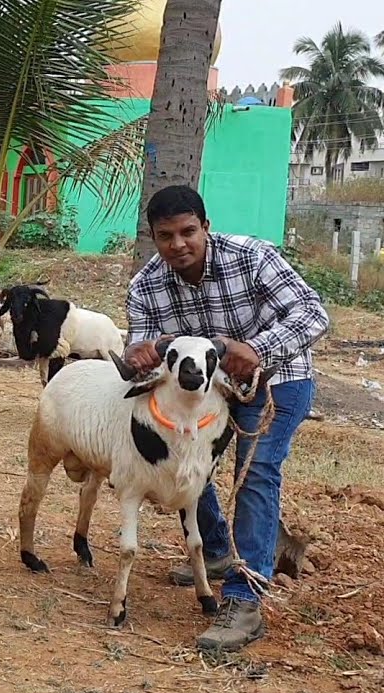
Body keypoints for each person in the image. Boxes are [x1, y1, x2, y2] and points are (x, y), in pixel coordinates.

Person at [124, 184, 328, 651]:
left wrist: (258, 349)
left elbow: (313, 313)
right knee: (185, 460)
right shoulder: (146, 286)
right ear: (154, 238)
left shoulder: (253, 257)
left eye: (188, 231)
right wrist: (138, 355)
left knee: (255, 472)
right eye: (166, 236)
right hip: (205, 392)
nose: (178, 245)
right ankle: (216, 551)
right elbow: (144, 351)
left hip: (278, 381)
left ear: (206, 228)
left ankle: (245, 600)